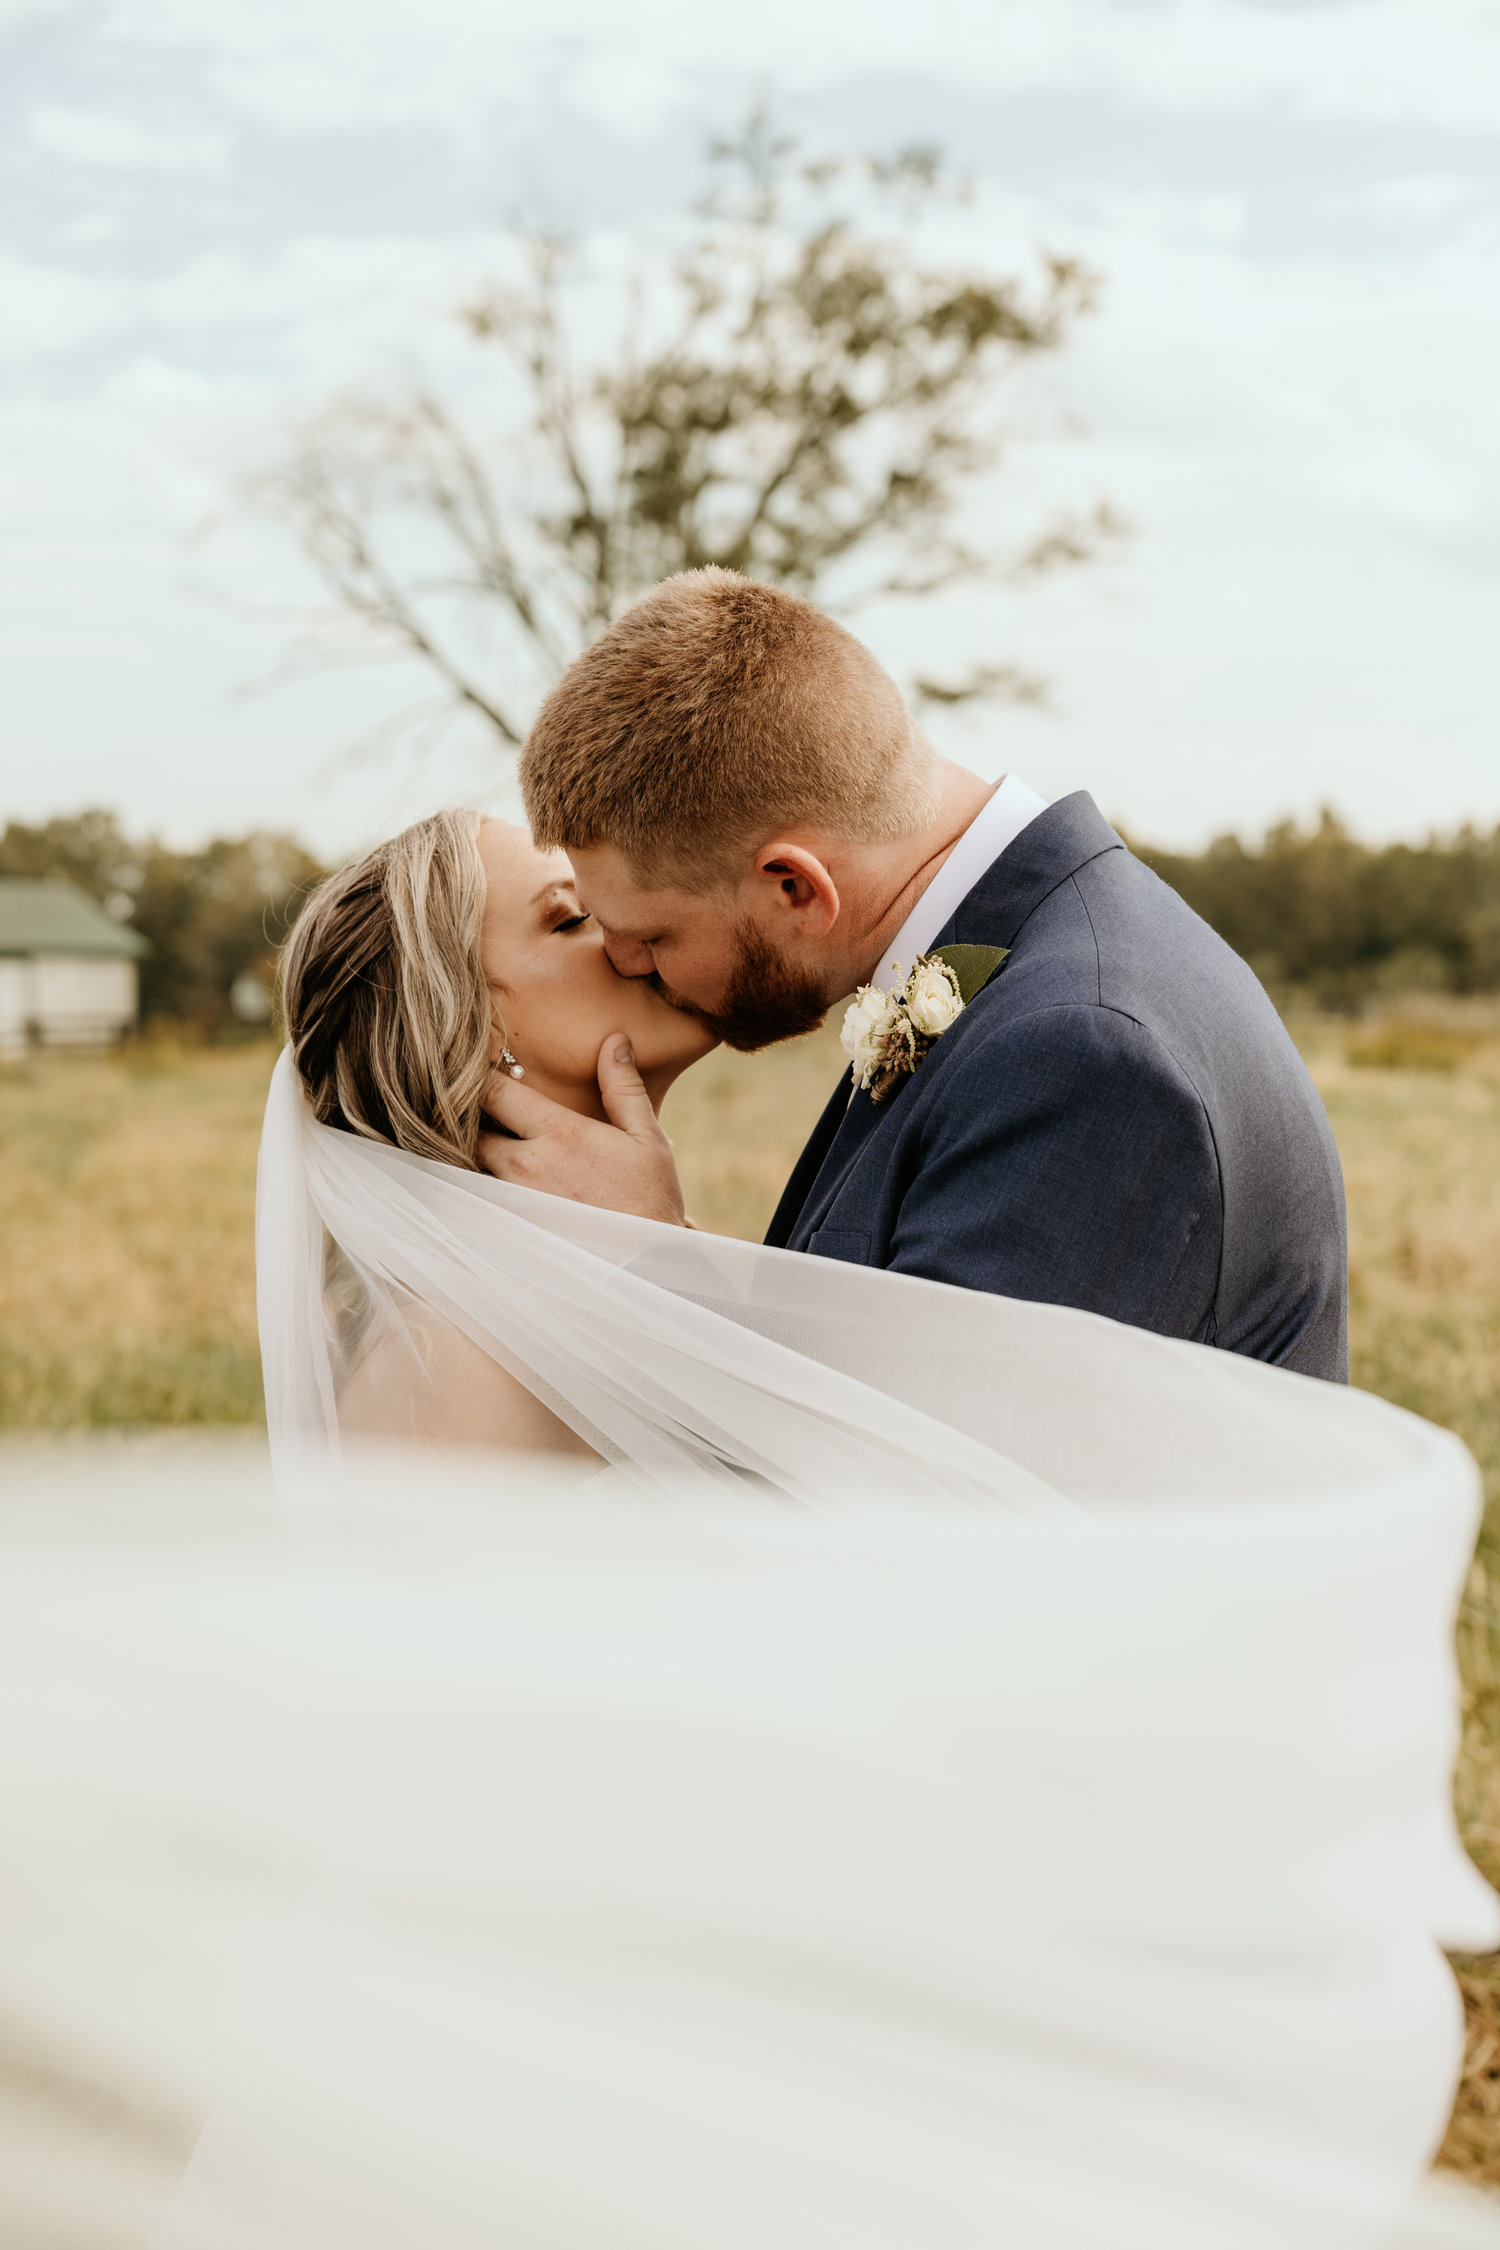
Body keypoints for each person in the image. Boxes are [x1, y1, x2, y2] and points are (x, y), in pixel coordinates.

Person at [490, 566, 1348, 1382]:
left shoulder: (1080, 1054)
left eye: (651, 934)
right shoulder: (1022, 974)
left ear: (795, 887)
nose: (623, 960)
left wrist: (650, 1251)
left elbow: (913, 1474)